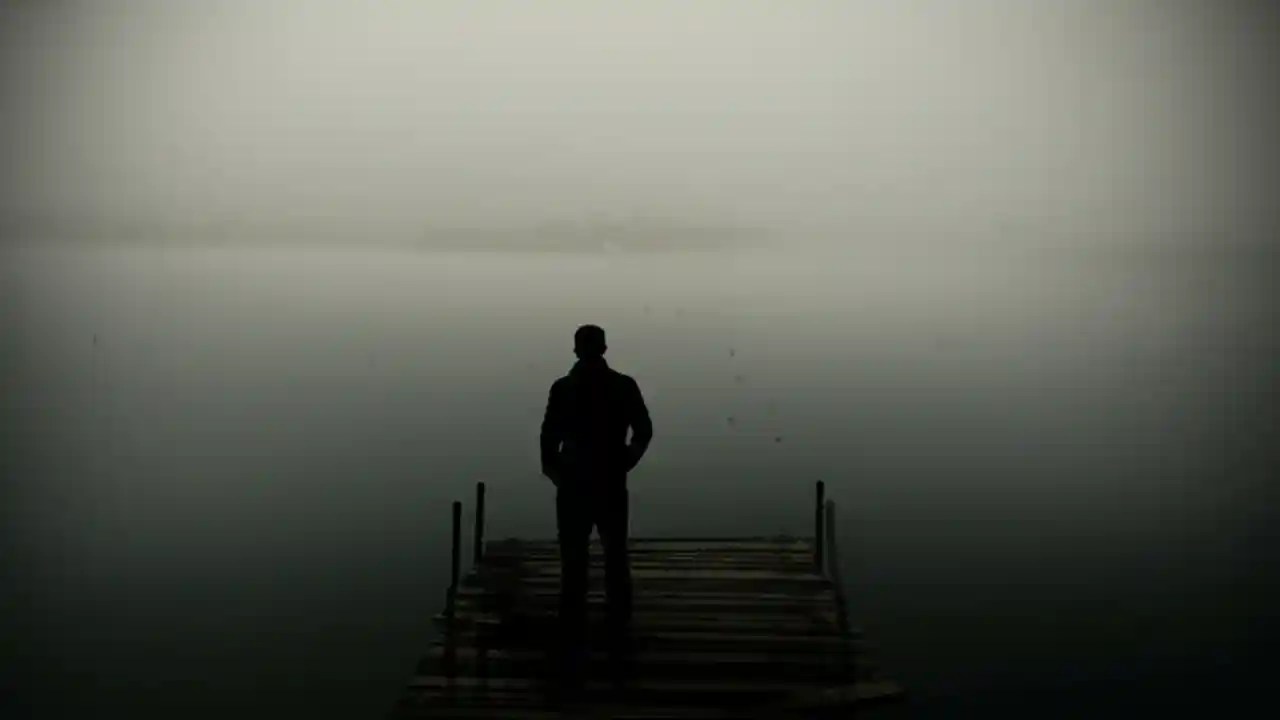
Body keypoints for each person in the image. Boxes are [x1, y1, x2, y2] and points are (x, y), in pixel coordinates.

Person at [540, 324, 653, 691]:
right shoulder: (622, 385)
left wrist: (555, 471)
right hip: (606, 481)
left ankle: (575, 632)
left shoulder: (564, 388)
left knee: (576, 558)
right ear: (604, 348)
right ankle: (617, 628)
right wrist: (628, 460)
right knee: (614, 554)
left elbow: (548, 439)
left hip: (576, 482)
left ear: (576, 350)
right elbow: (644, 431)